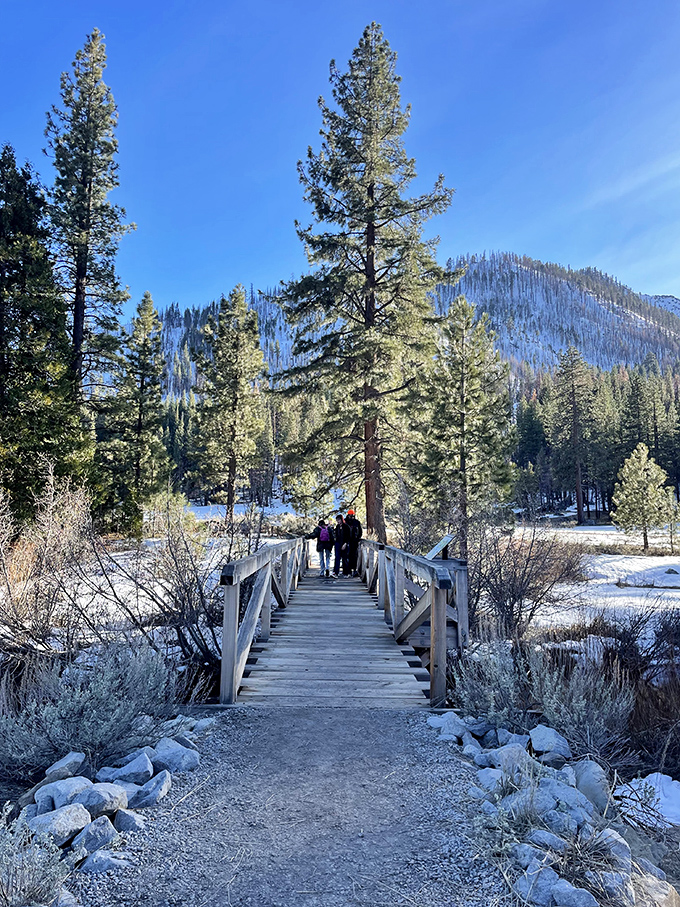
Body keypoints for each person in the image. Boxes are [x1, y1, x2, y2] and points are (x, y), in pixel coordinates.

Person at [345, 509, 363, 576]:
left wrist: (358, 538)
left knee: (354, 556)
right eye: (350, 515)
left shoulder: (356, 522)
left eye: (352, 515)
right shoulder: (345, 522)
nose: (351, 516)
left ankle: (354, 570)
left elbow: (360, 531)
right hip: (347, 541)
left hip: (354, 542)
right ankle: (348, 570)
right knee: (347, 555)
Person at [332, 512, 350, 577]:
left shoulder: (346, 527)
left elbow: (348, 536)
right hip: (338, 544)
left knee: (344, 558)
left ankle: (346, 573)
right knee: (337, 558)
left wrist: (345, 544)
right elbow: (336, 535)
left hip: (344, 544)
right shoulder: (337, 527)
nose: (338, 521)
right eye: (337, 520)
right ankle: (336, 572)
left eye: (339, 520)